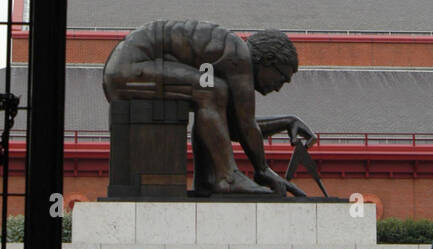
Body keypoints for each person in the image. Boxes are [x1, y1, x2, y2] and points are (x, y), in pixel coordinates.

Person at [102, 18, 315, 196]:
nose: (278, 87)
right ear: (268, 60)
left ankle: (209, 179)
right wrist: (262, 169)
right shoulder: (238, 55)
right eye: (282, 78)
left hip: (127, 71)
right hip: (128, 71)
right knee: (210, 90)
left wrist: (287, 122)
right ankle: (226, 177)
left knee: (209, 93)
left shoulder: (229, 54)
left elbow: (228, 128)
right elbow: (245, 125)